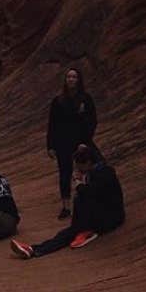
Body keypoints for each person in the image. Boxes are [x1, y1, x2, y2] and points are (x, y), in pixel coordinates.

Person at [11, 145, 124, 259]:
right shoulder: (100, 171)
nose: (78, 169)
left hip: (109, 219)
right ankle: (35, 249)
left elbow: (92, 193)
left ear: (88, 162)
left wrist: (79, 184)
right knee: (69, 229)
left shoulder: (103, 174)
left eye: (80, 166)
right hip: (104, 215)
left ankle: (35, 250)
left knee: (69, 231)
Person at [47, 67, 97, 219]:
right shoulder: (58, 101)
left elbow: (92, 121)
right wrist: (50, 146)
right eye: (68, 77)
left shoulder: (86, 99)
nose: (71, 79)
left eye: (74, 77)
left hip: (81, 141)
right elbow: (52, 124)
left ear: (79, 80)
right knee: (65, 173)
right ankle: (66, 207)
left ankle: (91, 202)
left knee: (90, 169)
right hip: (63, 143)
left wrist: (86, 141)